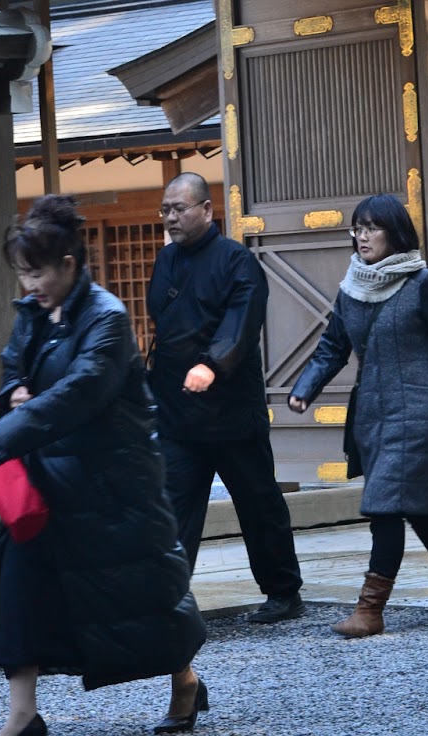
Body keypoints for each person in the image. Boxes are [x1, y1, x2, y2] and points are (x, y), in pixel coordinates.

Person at [0, 194, 207, 736]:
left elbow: (83, 390)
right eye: (23, 274)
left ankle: (185, 680)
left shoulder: (107, 317)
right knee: (16, 585)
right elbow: (12, 364)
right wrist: (14, 391)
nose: (29, 285)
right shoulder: (33, 313)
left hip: (111, 481)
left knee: (142, 595)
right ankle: (23, 716)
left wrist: (4, 434)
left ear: (69, 265)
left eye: (37, 273)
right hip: (43, 479)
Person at [289, 192, 428, 637]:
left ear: (396, 233)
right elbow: (333, 347)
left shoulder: (423, 284)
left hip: (417, 411)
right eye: (357, 228)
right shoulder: (352, 287)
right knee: (418, 507)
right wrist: (304, 390)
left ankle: (370, 609)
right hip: (372, 413)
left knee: (384, 505)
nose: (362, 236)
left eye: (372, 227)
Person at [145, 172, 304, 625]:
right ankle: (167, 599)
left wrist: (211, 364)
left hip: (231, 408)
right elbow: (163, 328)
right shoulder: (166, 261)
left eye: (179, 208)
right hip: (178, 412)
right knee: (174, 507)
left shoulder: (237, 261)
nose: (171, 217)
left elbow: (241, 322)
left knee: (258, 502)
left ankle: (283, 593)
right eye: (166, 210)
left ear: (207, 210)